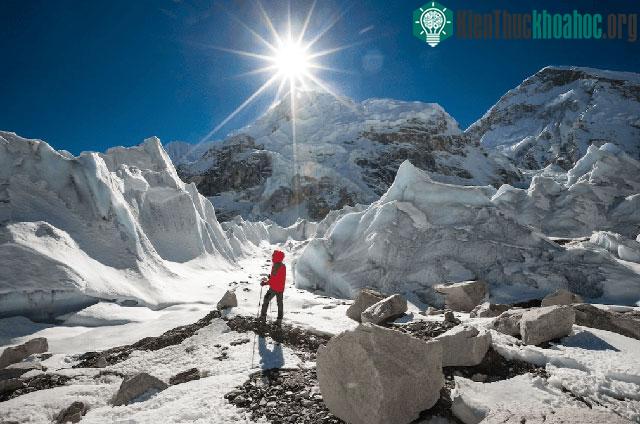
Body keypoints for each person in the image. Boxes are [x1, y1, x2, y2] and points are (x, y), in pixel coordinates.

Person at [259, 250, 286, 325]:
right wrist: (271, 277)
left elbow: (273, 281)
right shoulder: (283, 266)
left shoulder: (275, 266)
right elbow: (279, 277)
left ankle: (263, 317)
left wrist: (264, 283)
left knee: (266, 300)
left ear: (276, 257)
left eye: (273, 255)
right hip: (281, 289)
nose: (272, 257)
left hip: (274, 289)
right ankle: (279, 320)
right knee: (280, 303)